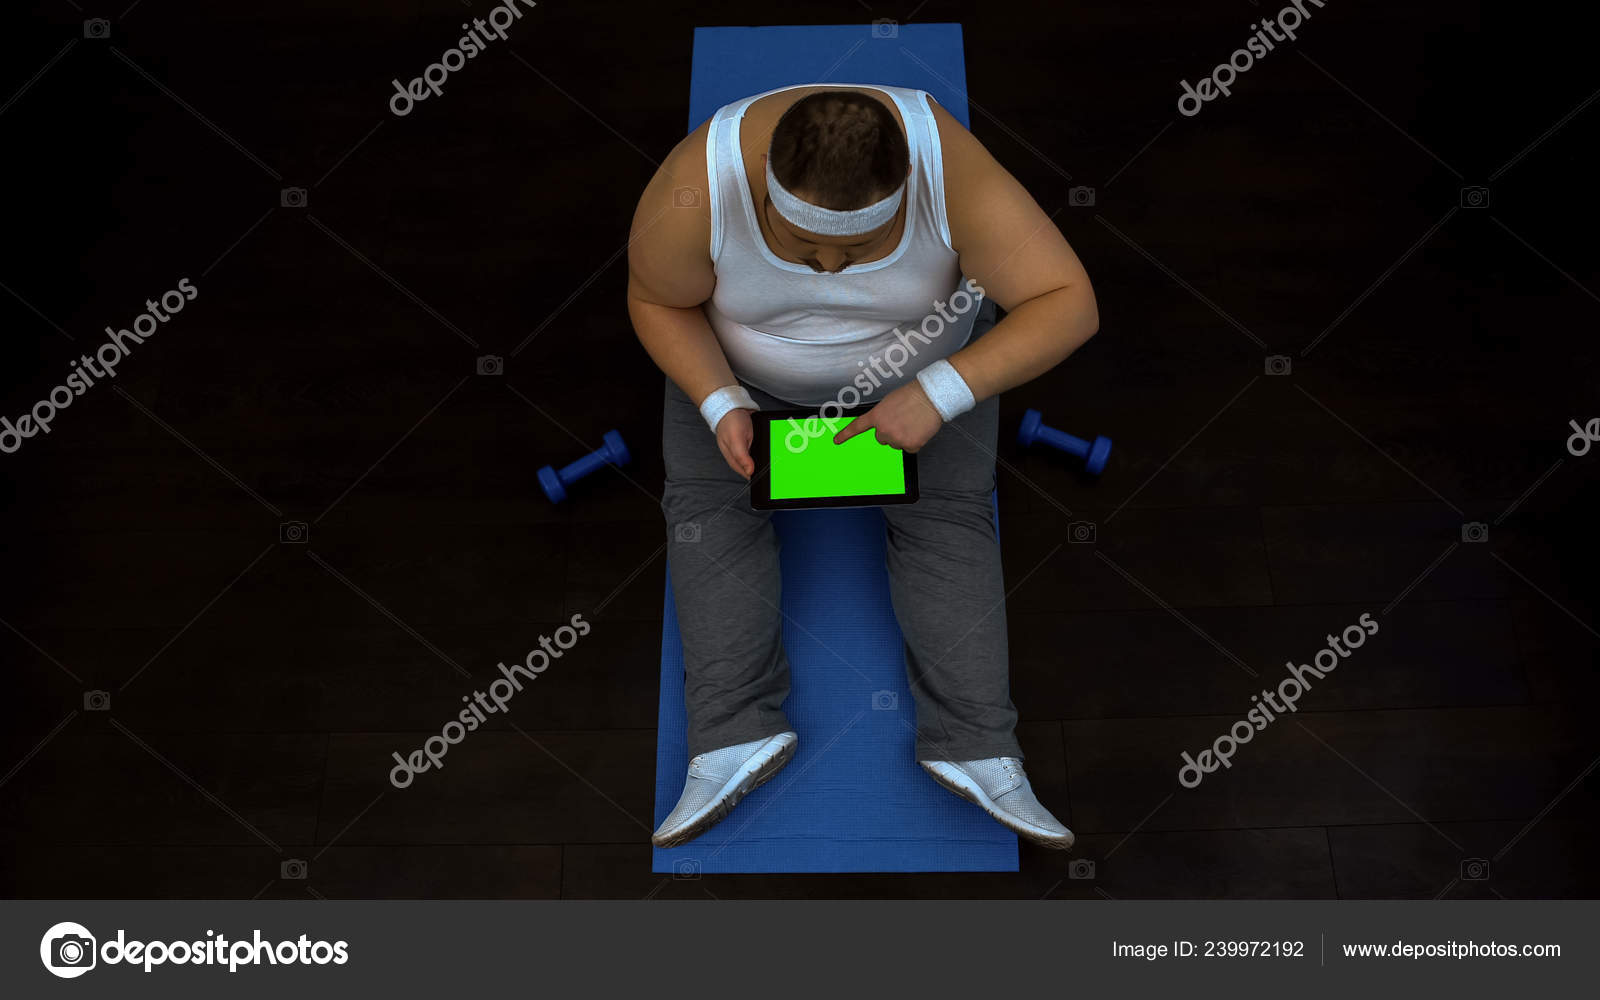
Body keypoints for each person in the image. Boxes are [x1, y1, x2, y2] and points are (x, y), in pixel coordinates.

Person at [627, 84, 1099, 849]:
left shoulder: (954, 174)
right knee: (706, 514)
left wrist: (941, 394)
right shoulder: (695, 192)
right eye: (804, 249)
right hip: (743, 381)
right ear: (764, 200)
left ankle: (976, 746)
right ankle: (732, 734)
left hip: (921, 383)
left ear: (906, 197)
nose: (828, 271)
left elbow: (1067, 299)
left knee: (949, 515)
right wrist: (717, 401)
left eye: (858, 252)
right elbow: (656, 300)